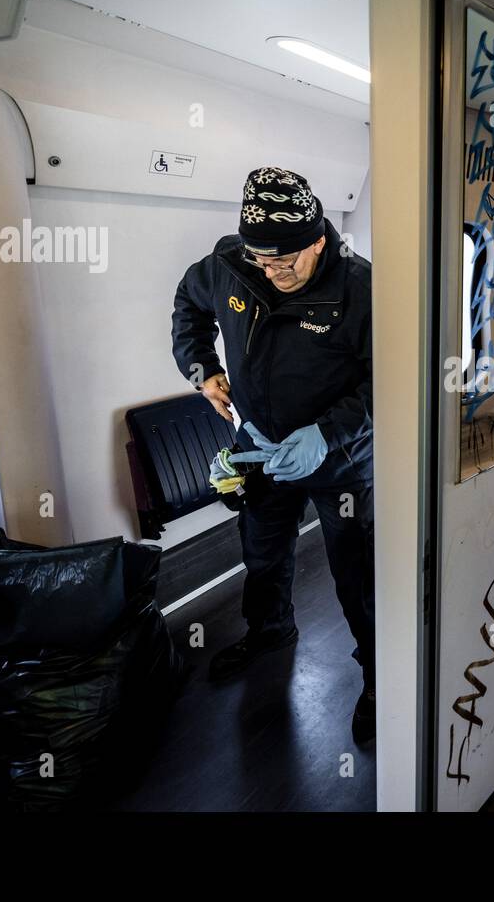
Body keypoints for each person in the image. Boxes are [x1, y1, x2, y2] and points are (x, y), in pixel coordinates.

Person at [171, 167, 375, 744]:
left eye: (286, 260)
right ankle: (270, 632)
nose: (274, 271)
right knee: (261, 555)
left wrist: (327, 433)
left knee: (356, 574)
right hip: (260, 449)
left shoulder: (359, 288)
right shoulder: (229, 265)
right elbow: (188, 305)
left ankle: (379, 677)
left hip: (338, 459)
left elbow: (389, 379)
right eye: (263, 260)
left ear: (318, 240)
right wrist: (203, 371)